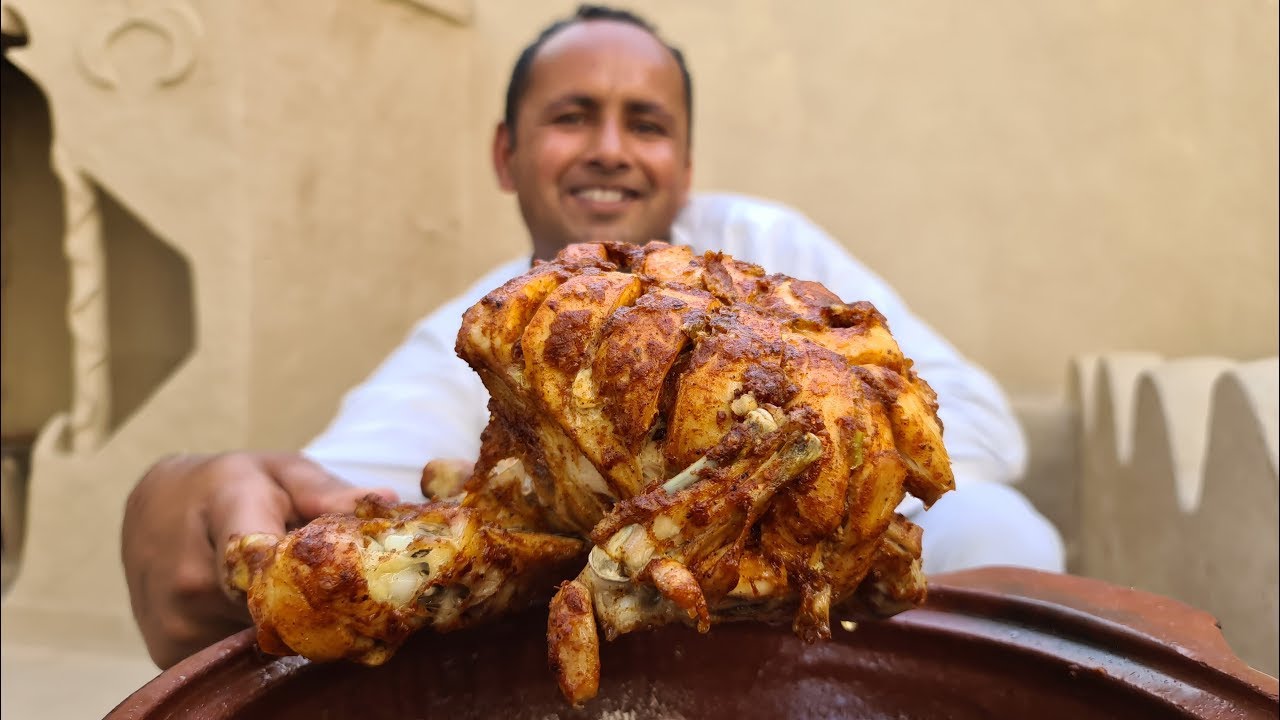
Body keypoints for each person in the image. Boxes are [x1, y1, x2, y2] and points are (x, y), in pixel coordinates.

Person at [122, 4, 1064, 670]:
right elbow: (342, 493)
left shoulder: (767, 256)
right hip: (602, 607)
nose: (611, 145)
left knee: (997, 520)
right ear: (508, 155)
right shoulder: (492, 340)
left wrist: (774, 505)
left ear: (685, 162)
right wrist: (191, 495)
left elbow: (978, 427)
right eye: (573, 117)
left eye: (644, 123)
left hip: (819, 619)